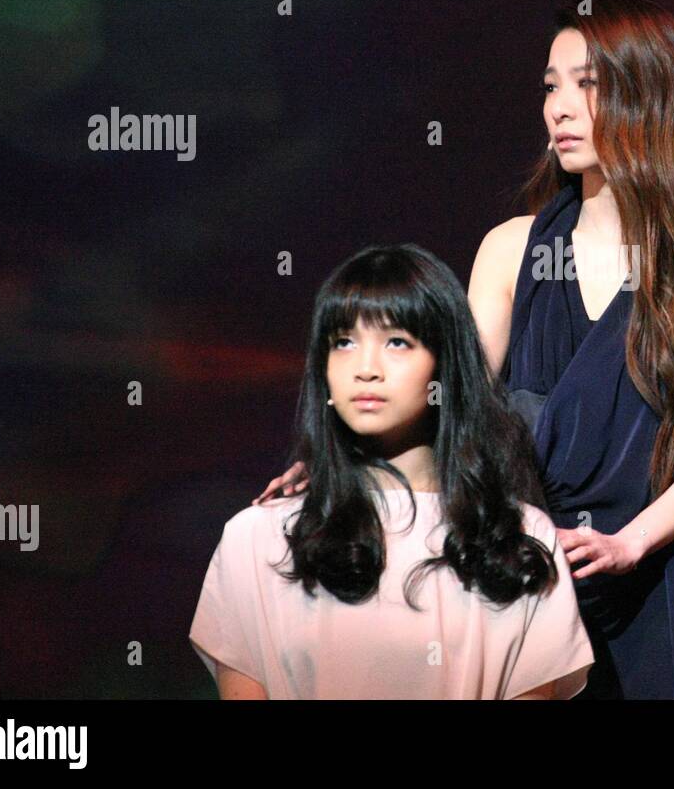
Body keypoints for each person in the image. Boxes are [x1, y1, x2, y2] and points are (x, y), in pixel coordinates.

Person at [257, 0, 674, 698]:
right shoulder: (512, 250)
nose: (558, 108)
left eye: (586, 85)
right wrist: (337, 464)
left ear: (652, 95)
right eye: (550, 86)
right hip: (523, 582)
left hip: (656, 585)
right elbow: (447, 405)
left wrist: (633, 542)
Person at [190, 244, 593, 699]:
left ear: (446, 365)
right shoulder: (258, 539)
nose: (365, 369)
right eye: (343, 342)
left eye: (397, 342)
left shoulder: (517, 538)